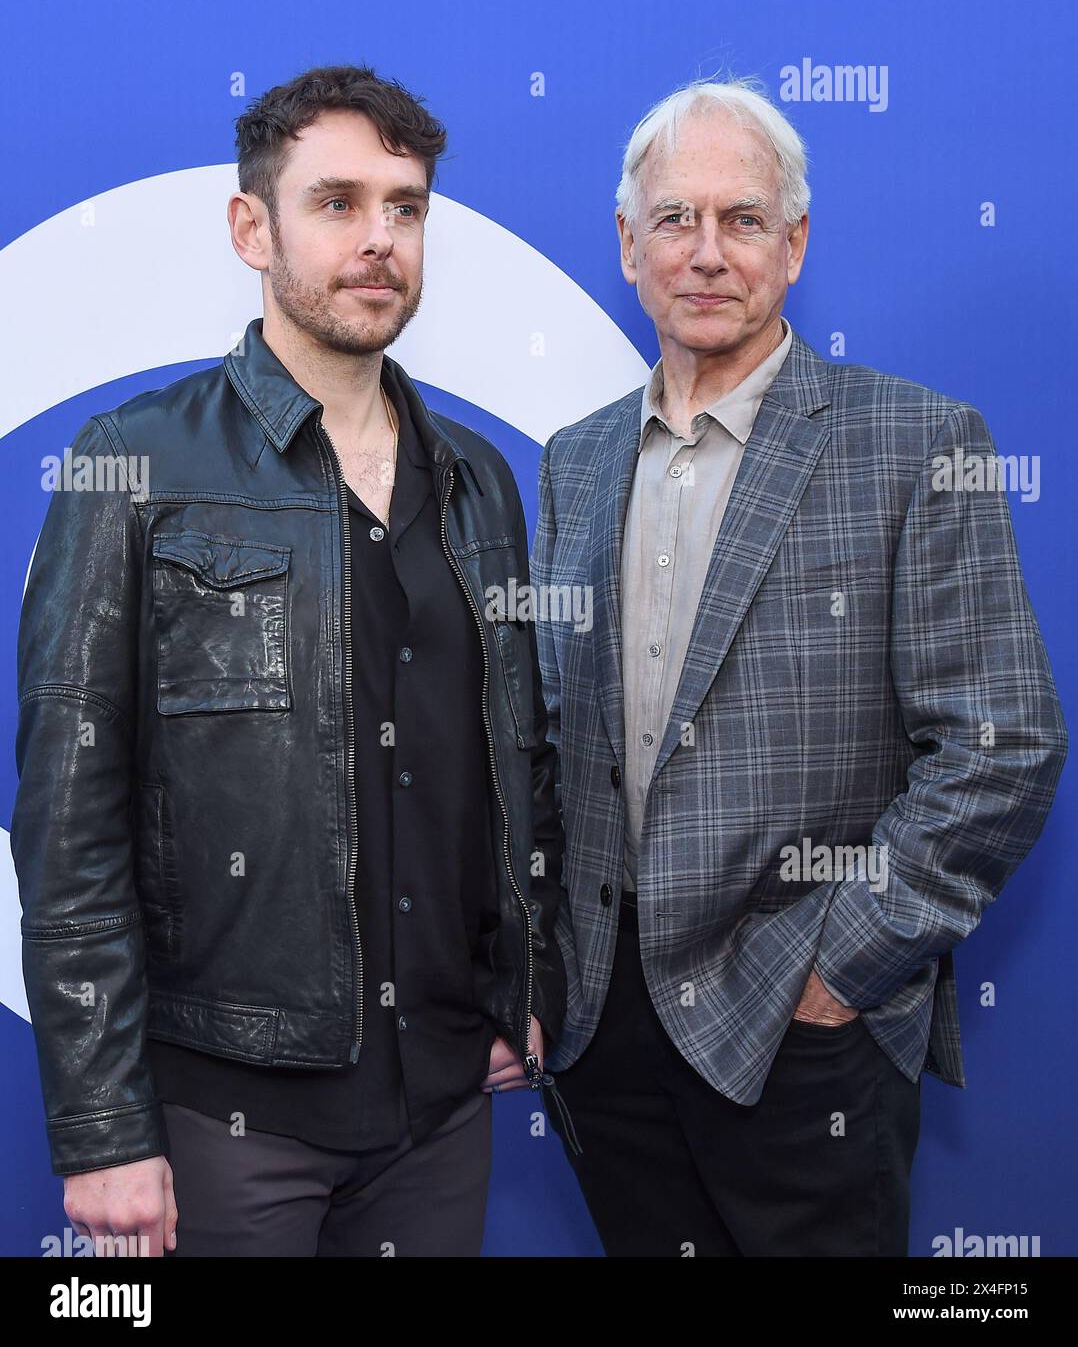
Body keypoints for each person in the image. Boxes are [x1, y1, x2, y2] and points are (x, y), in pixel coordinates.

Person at [12, 63, 565, 1258]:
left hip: (443, 1103)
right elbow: (70, 819)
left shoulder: (478, 481)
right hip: (228, 1114)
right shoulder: (136, 466)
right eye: (339, 202)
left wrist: (516, 978)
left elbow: (513, 763)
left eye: (406, 208)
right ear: (250, 227)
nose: (380, 241)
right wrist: (105, 1127)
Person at [531, 75, 1066, 1257]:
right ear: (628, 244)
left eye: (743, 220)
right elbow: (553, 738)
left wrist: (838, 969)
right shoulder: (574, 462)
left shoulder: (917, 441)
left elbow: (1002, 741)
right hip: (603, 1036)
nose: (707, 252)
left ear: (795, 243)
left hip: (800, 1027)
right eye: (675, 219)